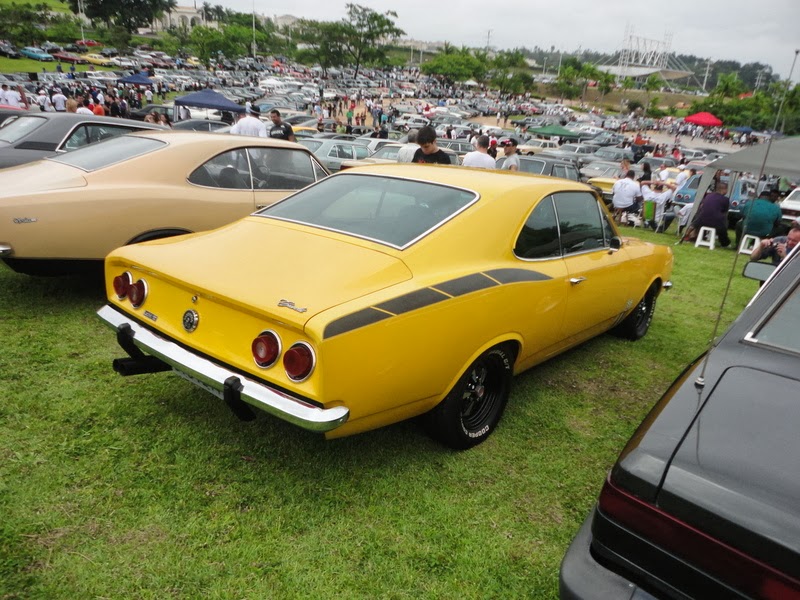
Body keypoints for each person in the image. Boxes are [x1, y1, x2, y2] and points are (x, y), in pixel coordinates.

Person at [690, 182, 731, 247]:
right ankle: (725, 243)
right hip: (715, 222)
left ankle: (692, 235)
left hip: (701, 221)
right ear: (724, 189)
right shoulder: (725, 199)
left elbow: (702, 207)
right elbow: (724, 212)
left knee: (699, 218)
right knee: (723, 226)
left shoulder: (708, 196)